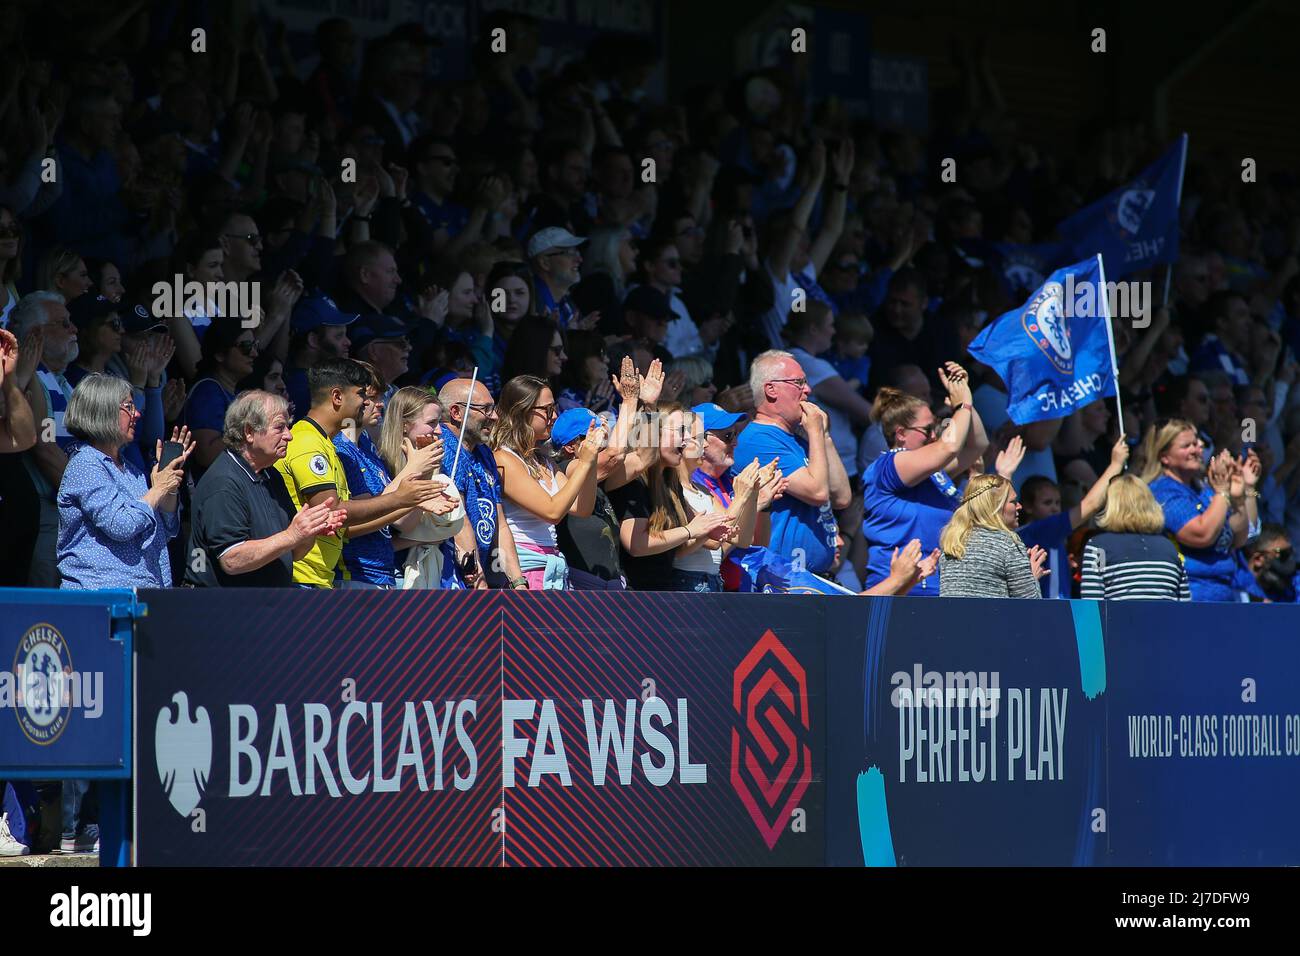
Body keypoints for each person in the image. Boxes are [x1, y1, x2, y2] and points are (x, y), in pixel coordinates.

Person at [275, 358, 448, 588]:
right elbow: (332, 510)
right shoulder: (308, 442)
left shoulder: (327, 444)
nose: (367, 403)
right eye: (362, 395)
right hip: (308, 578)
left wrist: (408, 499)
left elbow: (348, 519)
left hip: (320, 579)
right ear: (337, 397)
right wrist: (400, 498)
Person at [186, 390, 346, 587]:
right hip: (223, 610)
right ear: (249, 432)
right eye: (280, 428)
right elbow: (232, 559)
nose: (289, 436)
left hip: (266, 607)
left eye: (288, 427)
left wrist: (310, 530)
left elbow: (293, 552)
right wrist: (292, 535)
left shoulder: (271, 475)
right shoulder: (224, 482)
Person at [861, 362, 987, 594]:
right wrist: (962, 406)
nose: (933, 436)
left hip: (938, 587)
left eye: (935, 427)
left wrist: (965, 396)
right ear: (900, 434)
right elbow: (948, 446)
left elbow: (978, 445)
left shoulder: (934, 473)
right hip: (898, 590)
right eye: (927, 430)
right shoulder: (889, 465)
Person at [732, 350, 850, 579]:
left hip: (810, 577)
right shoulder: (757, 439)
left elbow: (842, 497)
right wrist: (815, 432)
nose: (808, 390)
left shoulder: (801, 438)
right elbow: (817, 492)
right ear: (771, 389)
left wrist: (823, 436)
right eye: (799, 382)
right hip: (780, 578)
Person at [490, 374, 605, 589]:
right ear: (522, 412)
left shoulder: (545, 461)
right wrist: (584, 463)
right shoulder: (503, 458)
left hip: (551, 568)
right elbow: (552, 512)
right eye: (548, 410)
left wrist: (590, 459)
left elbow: (582, 508)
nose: (554, 417)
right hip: (524, 570)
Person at [612, 403, 736, 590]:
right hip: (634, 595)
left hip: (665, 591)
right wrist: (690, 531)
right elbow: (636, 544)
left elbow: (683, 546)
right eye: (680, 431)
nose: (687, 440)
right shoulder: (635, 482)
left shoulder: (669, 484)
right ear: (656, 434)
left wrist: (705, 532)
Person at [1142, 418, 1260, 601]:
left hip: (1223, 594)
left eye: (1197, 443)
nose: (1197, 449)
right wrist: (1222, 493)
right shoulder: (1163, 491)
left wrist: (1237, 498)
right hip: (1189, 597)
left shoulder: (1202, 489)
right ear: (1164, 456)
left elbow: (1238, 539)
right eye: (1187, 445)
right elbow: (1201, 534)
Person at [1014, 436, 1129, 598]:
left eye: (1057, 502)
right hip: (1052, 607)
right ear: (1028, 506)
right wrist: (1115, 464)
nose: (1054, 508)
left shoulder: (1029, 532)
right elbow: (1090, 504)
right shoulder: (1042, 529)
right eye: (1047, 503)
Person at [374, 386, 464, 589]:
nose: (440, 431)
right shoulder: (382, 465)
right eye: (432, 423)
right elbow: (403, 525)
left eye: (439, 423)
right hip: (397, 574)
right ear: (405, 425)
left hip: (435, 574)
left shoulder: (438, 465)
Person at [1080, 475, 1191, 601]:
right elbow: (1184, 607)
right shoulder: (1169, 548)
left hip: (1117, 621)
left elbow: (1091, 607)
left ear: (1111, 505)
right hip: (1165, 620)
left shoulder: (1098, 548)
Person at [938, 473, 1047, 598]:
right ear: (995, 506)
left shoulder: (952, 543)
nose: (1019, 506)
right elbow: (1030, 605)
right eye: (1013, 501)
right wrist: (1032, 576)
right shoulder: (1007, 543)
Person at [185, 319, 259, 475]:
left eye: (255, 346)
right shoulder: (207, 392)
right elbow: (206, 454)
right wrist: (250, 427)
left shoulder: (236, 393)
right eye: (245, 347)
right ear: (220, 354)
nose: (254, 353)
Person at [1234, 523, 1298, 602]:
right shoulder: (1237, 593)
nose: (1290, 559)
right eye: (1282, 553)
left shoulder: (1292, 589)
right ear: (1258, 559)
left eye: (1290, 552)